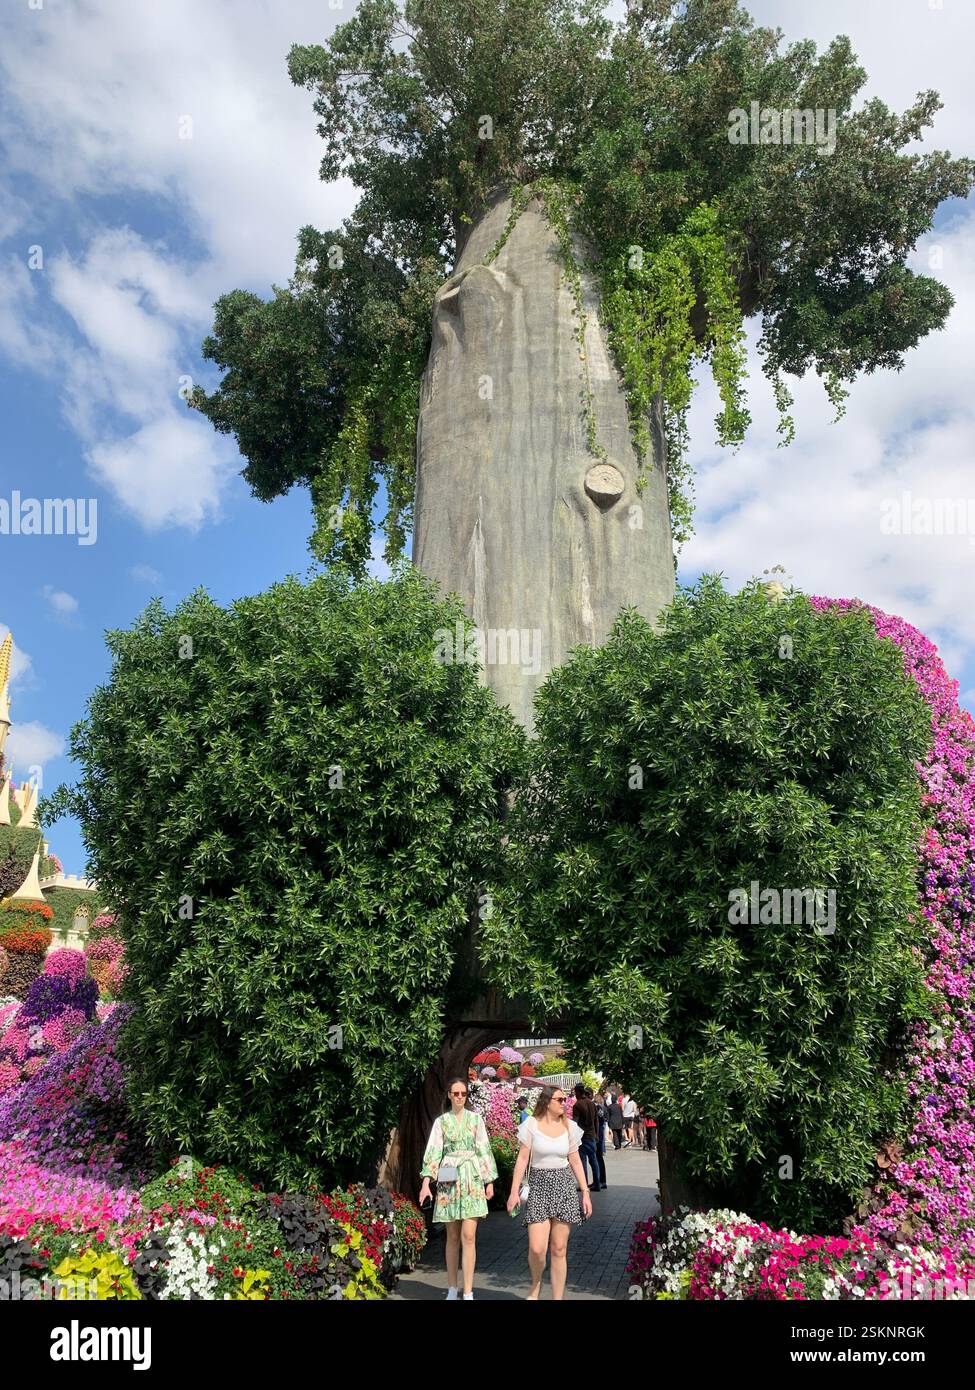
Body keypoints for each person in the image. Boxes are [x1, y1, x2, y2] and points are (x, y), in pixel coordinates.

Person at [507, 1086, 593, 1299]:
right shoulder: (531, 1125)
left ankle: (557, 1297)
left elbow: (575, 1159)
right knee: (537, 1248)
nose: (564, 1103)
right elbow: (522, 1160)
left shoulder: (570, 1127)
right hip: (539, 1187)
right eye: (560, 1099)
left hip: (564, 1186)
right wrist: (513, 1192)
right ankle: (535, 1285)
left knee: (559, 1248)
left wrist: (585, 1191)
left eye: (565, 1099)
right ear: (547, 1102)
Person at [418, 1077, 497, 1300]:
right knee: (452, 1236)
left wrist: (488, 1180)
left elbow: (483, 1148)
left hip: (471, 1173)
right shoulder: (441, 1122)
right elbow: (434, 1150)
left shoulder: (475, 1120)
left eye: (464, 1093)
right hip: (448, 1173)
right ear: (449, 1095)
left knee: (469, 1235)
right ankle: (452, 1288)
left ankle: (469, 1290)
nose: (460, 1097)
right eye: (456, 1093)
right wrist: (426, 1182)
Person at [572, 1084, 599, 1191]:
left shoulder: (577, 1105)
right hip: (592, 1135)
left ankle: (584, 1184)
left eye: (575, 1092)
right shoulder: (592, 1104)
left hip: (582, 1137)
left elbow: (575, 1123)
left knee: (582, 1161)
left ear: (578, 1092)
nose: (574, 1094)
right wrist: (596, 1135)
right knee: (594, 1161)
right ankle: (597, 1184)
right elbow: (596, 1121)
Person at [594, 1091, 608, 1189]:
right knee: (599, 1157)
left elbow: (599, 1120)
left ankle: (600, 1180)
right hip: (601, 1133)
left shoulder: (598, 1108)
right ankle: (601, 1180)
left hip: (598, 1134)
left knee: (598, 1158)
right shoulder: (603, 1108)